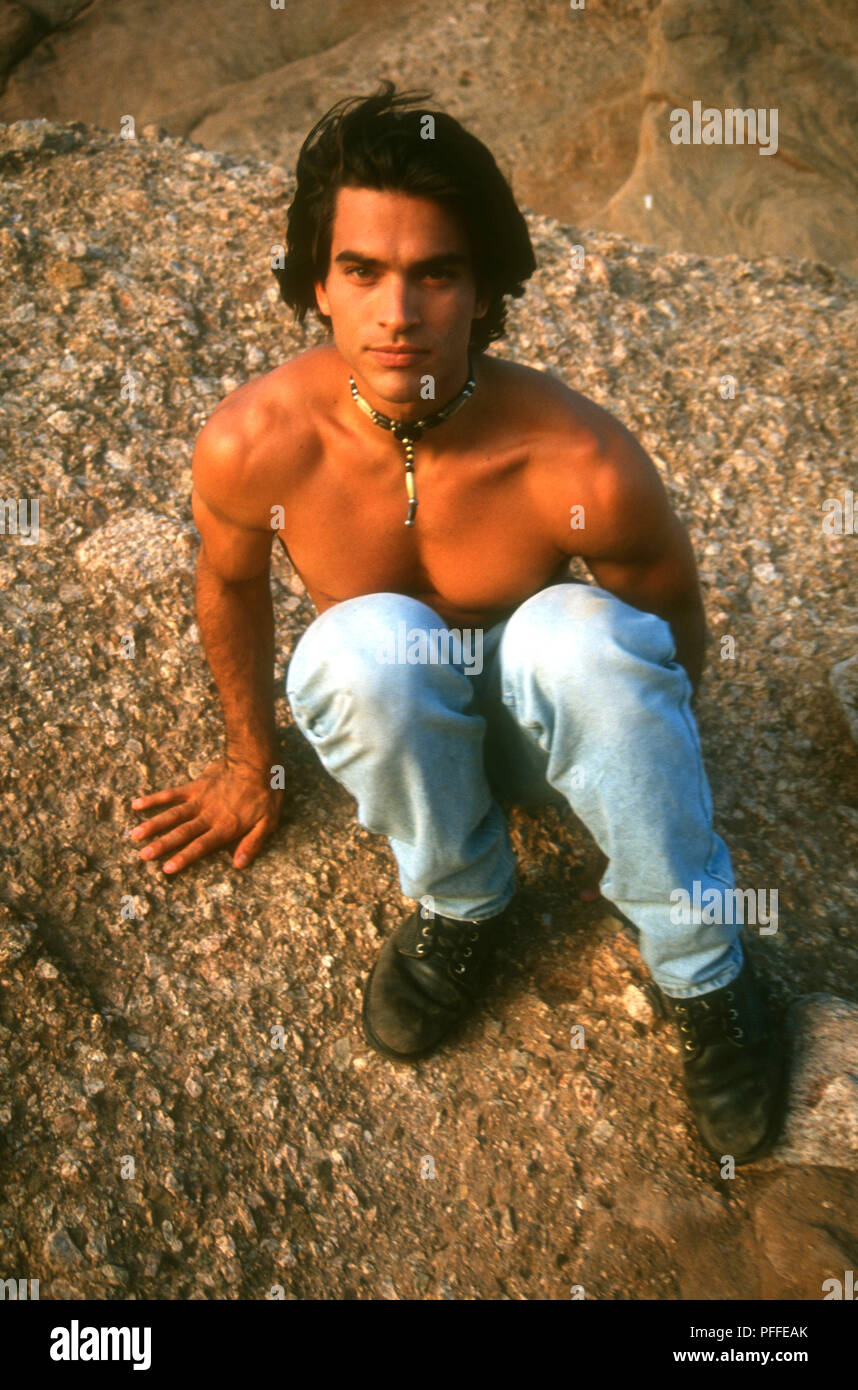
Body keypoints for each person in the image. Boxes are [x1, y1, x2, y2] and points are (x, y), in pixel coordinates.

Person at [129, 81, 788, 1164]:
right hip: (412, 740)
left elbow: (664, 637)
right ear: (318, 287)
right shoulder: (255, 443)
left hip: (544, 735)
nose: (399, 312)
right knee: (356, 646)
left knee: (577, 634)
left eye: (435, 272)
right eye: (364, 272)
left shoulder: (577, 458)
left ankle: (706, 970)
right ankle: (468, 904)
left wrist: (632, 789)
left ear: (484, 291)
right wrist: (253, 761)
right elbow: (230, 582)